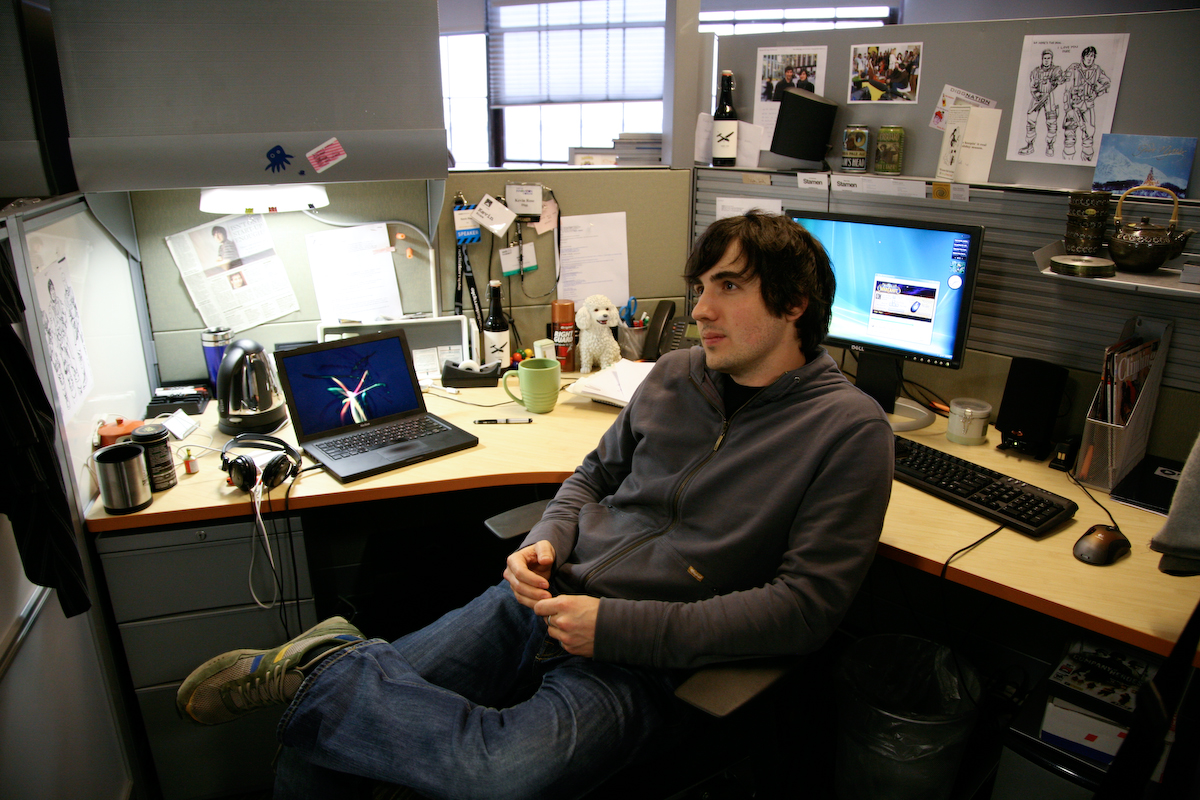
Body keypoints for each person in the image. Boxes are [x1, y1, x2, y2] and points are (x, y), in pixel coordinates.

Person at [176, 212, 895, 800]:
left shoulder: (848, 431)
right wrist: (545, 539)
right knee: (320, 759)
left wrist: (617, 627)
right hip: (538, 597)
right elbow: (590, 476)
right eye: (701, 285)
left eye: (729, 286)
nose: (702, 308)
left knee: (497, 774)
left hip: (642, 664)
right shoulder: (676, 374)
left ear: (795, 303)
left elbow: (803, 611)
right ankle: (331, 672)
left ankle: (329, 665)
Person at [1062, 46, 1110, 162]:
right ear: (1083, 57)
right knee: (1069, 137)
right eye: (1088, 56)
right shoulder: (1074, 69)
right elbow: (1067, 91)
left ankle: (1086, 164)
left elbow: (1107, 83)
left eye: (1092, 56)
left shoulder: (1097, 70)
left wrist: (1097, 93)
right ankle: (1067, 162)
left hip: (1088, 107)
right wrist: (1068, 109)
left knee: (1089, 137)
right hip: (1074, 106)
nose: (1090, 59)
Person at [1018, 49, 1065, 156]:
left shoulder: (1056, 70)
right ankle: (1029, 146)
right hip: (1037, 97)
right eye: (1045, 58)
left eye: (1049, 58)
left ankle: (1050, 145)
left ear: (1052, 59)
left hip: (1049, 96)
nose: (1047, 61)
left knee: (1052, 122)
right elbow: (1032, 85)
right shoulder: (1036, 71)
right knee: (1031, 120)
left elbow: (1060, 79)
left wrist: (1059, 79)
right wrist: (1038, 95)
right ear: (1042, 59)